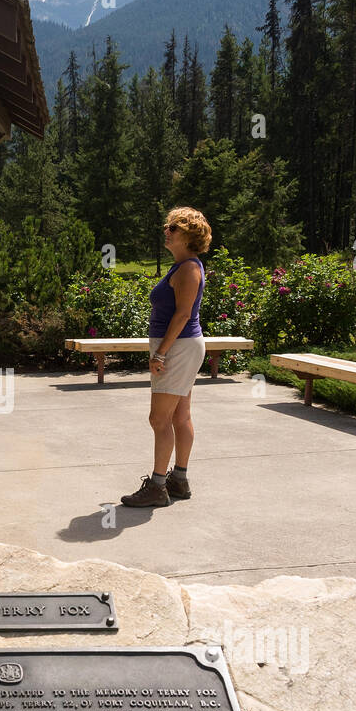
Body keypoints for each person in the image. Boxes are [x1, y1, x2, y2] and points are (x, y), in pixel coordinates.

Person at [121, 206, 211, 507]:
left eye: (173, 227)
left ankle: (158, 486)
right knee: (180, 415)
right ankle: (179, 479)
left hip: (177, 347)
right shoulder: (185, 265)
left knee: (159, 419)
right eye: (167, 226)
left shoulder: (188, 268)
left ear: (187, 234)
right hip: (182, 346)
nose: (166, 231)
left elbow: (184, 314)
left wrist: (161, 352)